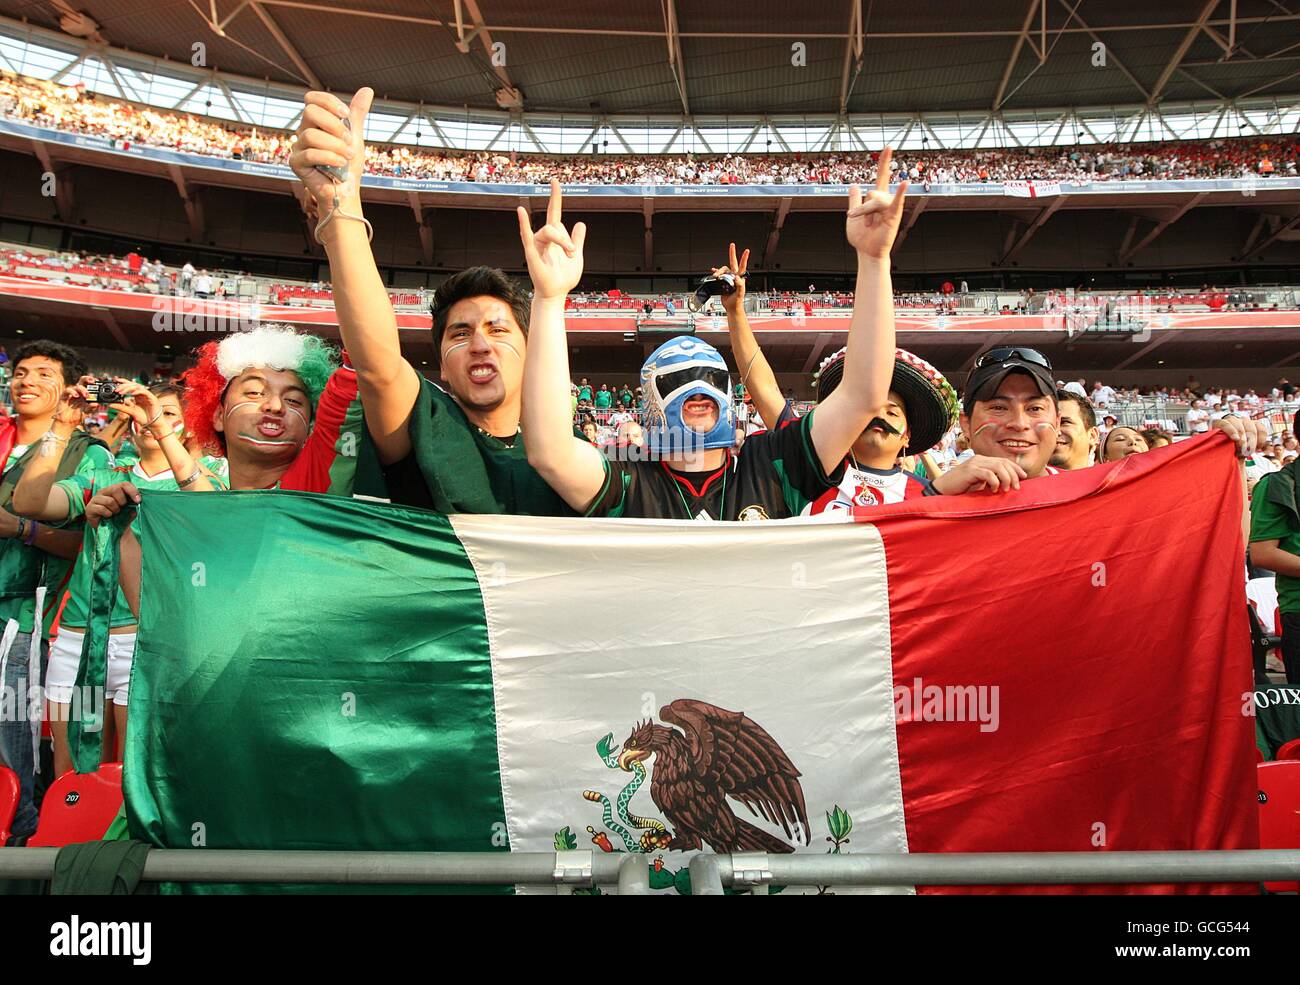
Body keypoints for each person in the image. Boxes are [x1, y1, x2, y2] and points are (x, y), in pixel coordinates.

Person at [520, 153, 908, 520]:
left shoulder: (771, 465)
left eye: (712, 378)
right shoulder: (627, 478)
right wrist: (550, 300)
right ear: (650, 398)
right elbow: (550, 454)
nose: (699, 391)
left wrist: (874, 262)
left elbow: (862, 396)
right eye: (679, 379)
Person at [286, 87, 567, 517]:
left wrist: (551, 297)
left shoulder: (570, 456)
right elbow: (377, 366)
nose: (480, 343)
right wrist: (340, 207)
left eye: (498, 328)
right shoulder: (427, 423)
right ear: (441, 366)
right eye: (460, 332)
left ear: (532, 353)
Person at [11, 380, 223, 774]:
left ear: (190, 426)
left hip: (146, 645)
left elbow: (212, 513)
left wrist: (158, 424)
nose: (145, 416)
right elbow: (28, 503)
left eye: (167, 412)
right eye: (138, 407)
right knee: (74, 775)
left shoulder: (206, 476)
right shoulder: (105, 475)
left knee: (130, 774)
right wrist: (61, 426)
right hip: (81, 641)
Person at [713, 242, 959, 511]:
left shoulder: (932, 499)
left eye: (892, 413)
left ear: (907, 436)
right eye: (868, 408)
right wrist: (736, 313)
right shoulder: (808, 468)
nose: (877, 416)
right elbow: (765, 390)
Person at [0, 341, 111, 841]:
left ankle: (19, 855)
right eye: (20, 372)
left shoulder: (88, 454)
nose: (25, 381)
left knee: (12, 748)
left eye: (43, 374)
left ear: (70, 391)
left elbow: (88, 544)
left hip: (23, 621)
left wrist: (22, 530)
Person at [1050, 389, 1099, 471]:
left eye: (1064, 422)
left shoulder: (1113, 481)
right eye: (1048, 424)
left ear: (1092, 436)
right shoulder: (1023, 483)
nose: (1055, 431)